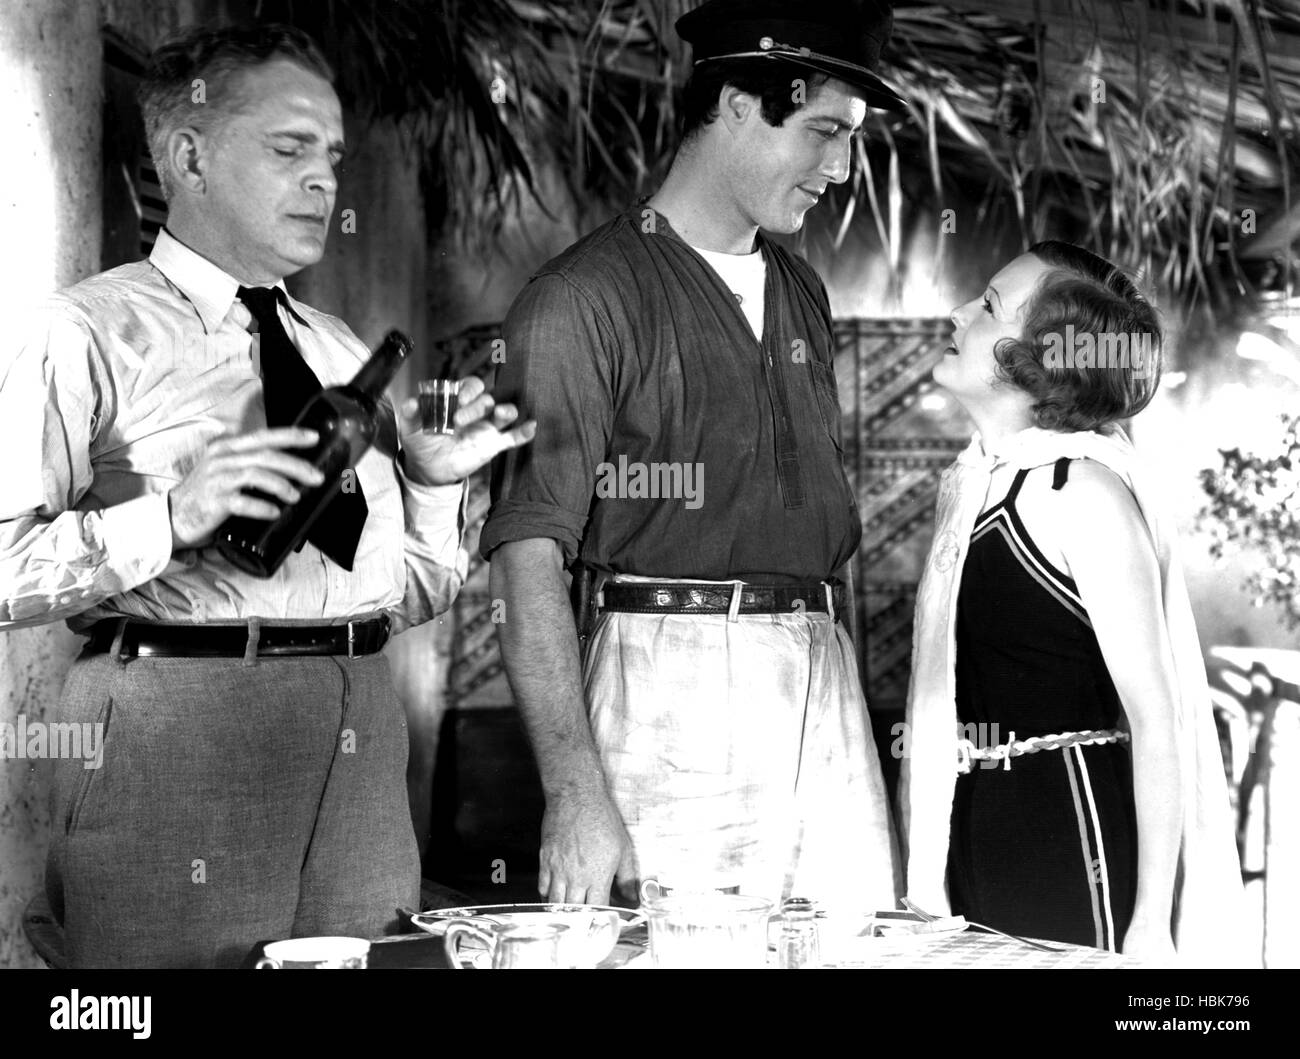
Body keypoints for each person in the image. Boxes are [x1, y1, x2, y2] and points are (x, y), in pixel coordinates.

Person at [0, 23, 534, 968]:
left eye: (330, 154)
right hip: (177, 728)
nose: (325, 180)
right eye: (290, 149)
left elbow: (400, 597)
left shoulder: (338, 350)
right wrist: (171, 518)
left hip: (362, 732)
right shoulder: (83, 332)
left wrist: (429, 487)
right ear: (189, 153)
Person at [481, 0, 904, 913]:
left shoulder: (801, 291)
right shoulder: (579, 299)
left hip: (819, 675)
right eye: (826, 130)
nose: (841, 168)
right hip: (668, 682)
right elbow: (526, 563)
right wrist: (574, 791)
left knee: (853, 947)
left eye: (852, 139)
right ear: (739, 105)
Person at [900, 241, 1252, 964]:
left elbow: (1159, 720)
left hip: (1068, 837)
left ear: (1041, 361)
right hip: (971, 829)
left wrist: (1152, 920)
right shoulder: (970, 486)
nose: (961, 312)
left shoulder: (1083, 492)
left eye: (991, 305)